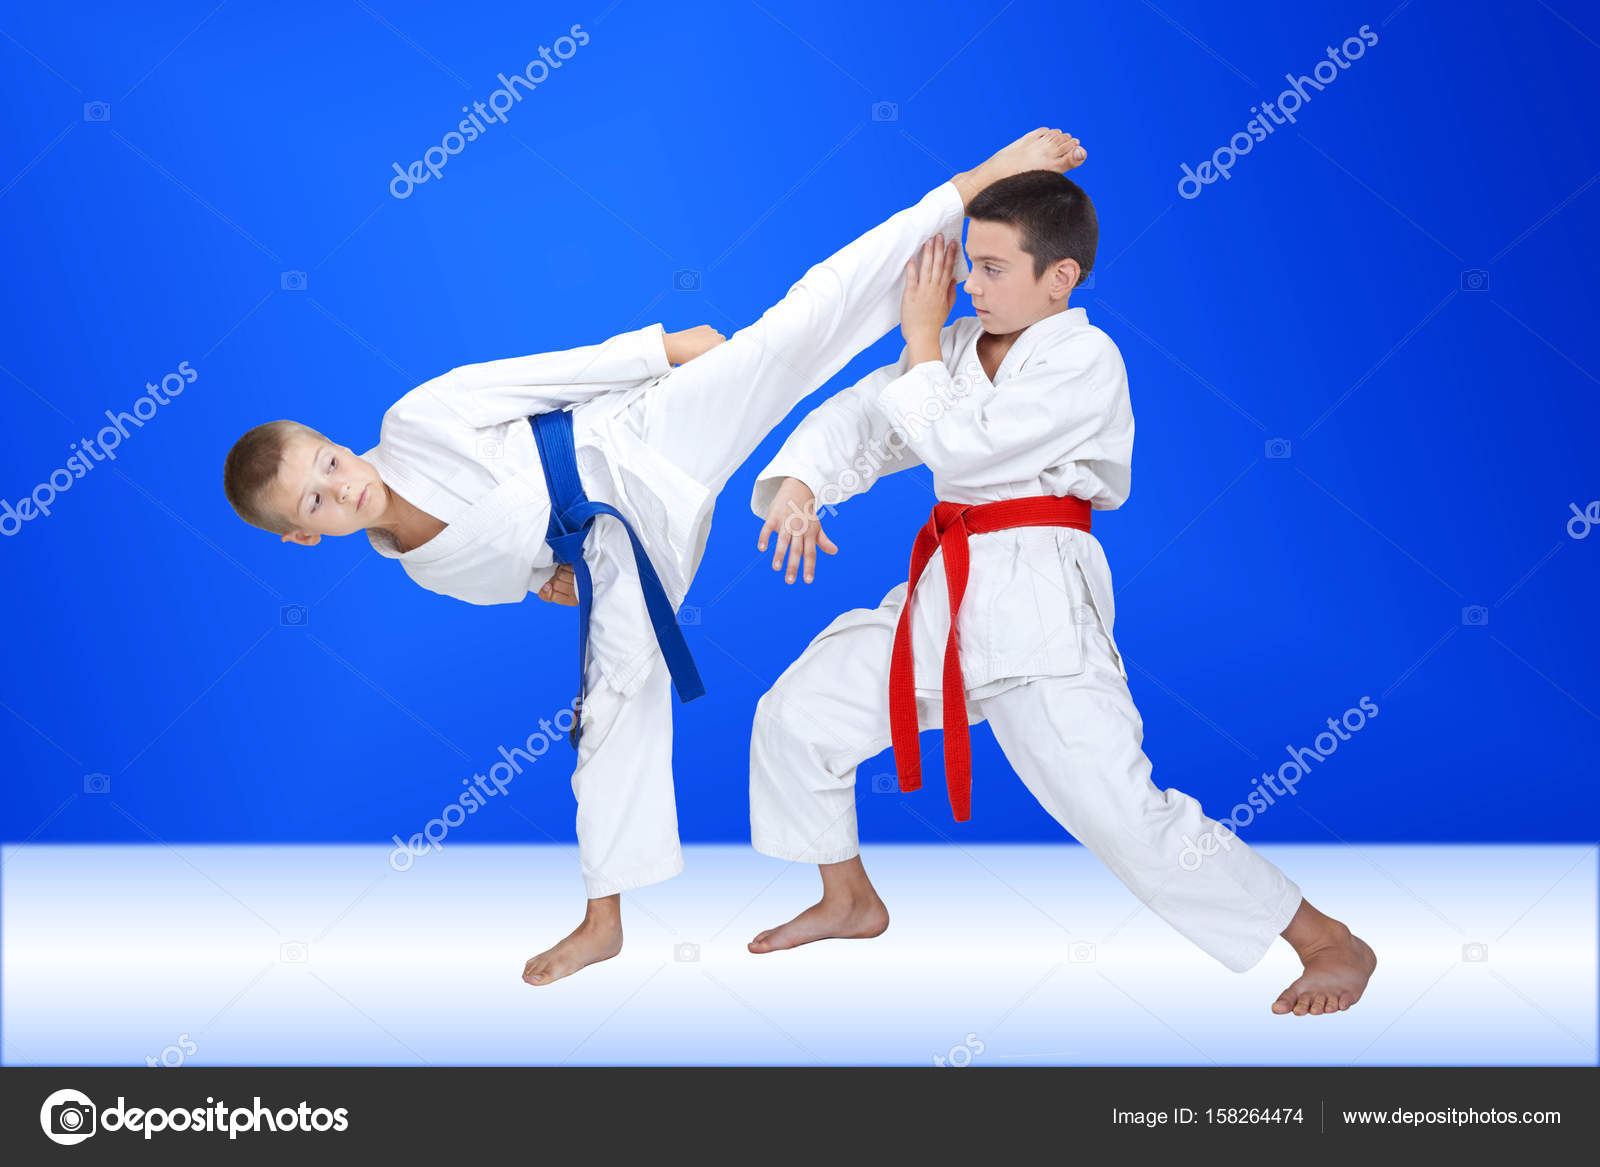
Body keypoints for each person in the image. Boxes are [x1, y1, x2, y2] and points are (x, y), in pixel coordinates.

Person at [221, 128, 1088, 986]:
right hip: (617, 551)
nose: (343, 487)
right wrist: (549, 581)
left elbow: (539, 376)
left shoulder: (415, 420)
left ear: (337, 441)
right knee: (608, 710)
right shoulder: (425, 567)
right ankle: (616, 919)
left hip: (637, 441)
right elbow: (519, 567)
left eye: (330, 461)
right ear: (306, 535)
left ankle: (974, 180)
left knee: (801, 327)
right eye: (317, 502)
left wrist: (664, 350)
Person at [747, 169, 1377, 1016]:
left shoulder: (1084, 357)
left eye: (993, 268)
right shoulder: (958, 346)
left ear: (1060, 277)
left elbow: (970, 451)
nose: (969, 283)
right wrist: (799, 483)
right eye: (967, 264)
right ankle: (849, 897)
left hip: (1038, 600)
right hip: (944, 591)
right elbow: (867, 417)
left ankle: (1323, 937)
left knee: (1121, 811)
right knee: (799, 710)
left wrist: (924, 341)